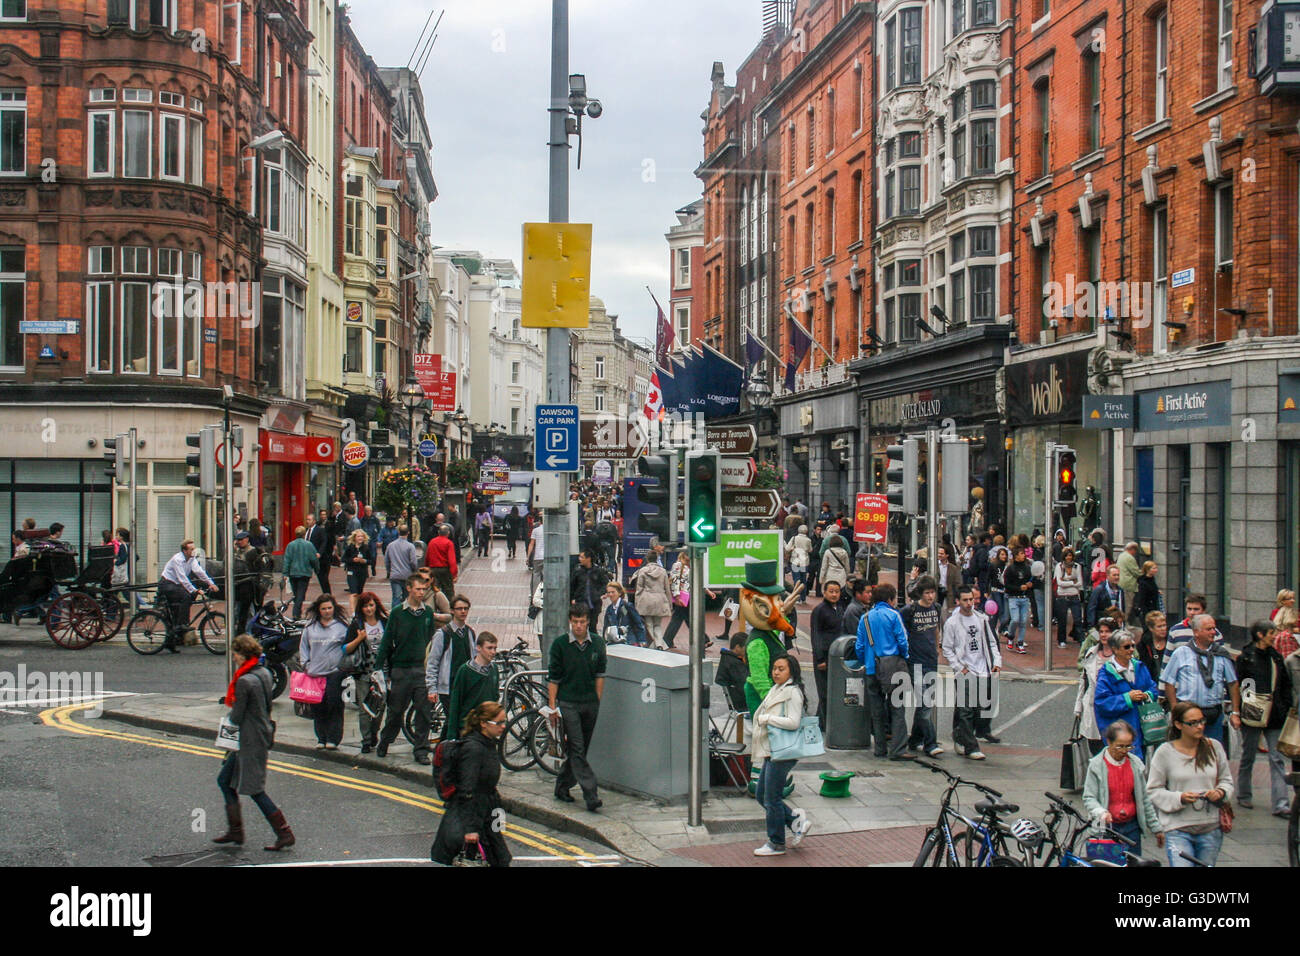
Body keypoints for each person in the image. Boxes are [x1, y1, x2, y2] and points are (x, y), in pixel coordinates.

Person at [211, 634, 294, 852]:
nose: (234, 658)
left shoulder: (244, 681)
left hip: (249, 740)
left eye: (235, 654)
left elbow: (237, 716)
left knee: (255, 789)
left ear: (243, 654)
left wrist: (229, 716)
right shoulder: (264, 672)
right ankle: (235, 831)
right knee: (225, 780)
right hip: (260, 734)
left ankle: (284, 833)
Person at [1146, 702, 1234, 867]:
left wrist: (1220, 792)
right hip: (1177, 828)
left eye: (1201, 721)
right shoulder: (1165, 752)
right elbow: (1153, 790)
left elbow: (1226, 780)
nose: (1199, 726)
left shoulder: (1214, 747)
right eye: (1193, 723)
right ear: (1178, 724)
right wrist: (1180, 798)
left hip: (1210, 827)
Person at [429, 700, 512, 867]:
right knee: (496, 858)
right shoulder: (474, 749)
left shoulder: (487, 743)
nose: (503, 727)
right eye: (498, 723)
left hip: (489, 808)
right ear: (483, 723)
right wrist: (470, 829)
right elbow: (467, 789)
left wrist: (498, 815)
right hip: (476, 813)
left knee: (501, 857)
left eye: (504, 722)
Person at [748, 653, 814, 857]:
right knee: (762, 795)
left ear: (791, 671)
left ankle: (776, 843)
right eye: (775, 668)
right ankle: (795, 821)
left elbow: (794, 722)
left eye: (781, 669)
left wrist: (768, 719)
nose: (776, 672)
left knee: (771, 798)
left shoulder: (793, 692)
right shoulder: (777, 688)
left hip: (783, 752)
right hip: (772, 750)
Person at [546, 603, 607, 812]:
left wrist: (597, 701)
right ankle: (591, 794)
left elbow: (600, 675)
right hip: (568, 703)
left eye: (582, 622)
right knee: (578, 748)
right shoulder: (560, 645)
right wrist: (552, 707)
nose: (578, 626)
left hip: (590, 703)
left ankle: (562, 786)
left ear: (588, 622)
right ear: (570, 622)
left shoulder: (597, 643)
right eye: (575, 622)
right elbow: (554, 678)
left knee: (580, 751)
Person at [374, 575, 438, 764]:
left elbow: (430, 639)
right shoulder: (397, 613)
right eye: (418, 589)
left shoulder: (427, 613)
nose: (421, 593)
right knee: (396, 711)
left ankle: (421, 750)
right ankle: (385, 741)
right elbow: (387, 641)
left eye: (424, 589)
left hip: (421, 669)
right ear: (409, 588)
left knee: (424, 712)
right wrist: (378, 668)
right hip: (401, 669)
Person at [1234, 620, 1293, 817]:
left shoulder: (1275, 657)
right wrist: (1242, 709)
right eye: (1271, 633)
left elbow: (1284, 685)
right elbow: (1241, 684)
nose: (1274, 636)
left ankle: (1281, 803)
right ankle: (1244, 794)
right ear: (1260, 635)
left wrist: (1284, 707)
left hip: (1274, 714)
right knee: (1248, 755)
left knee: (1277, 758)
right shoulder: (1246, 657)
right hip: (1253, 712)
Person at [1082, 720, 1163, 856]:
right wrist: (1101, 812)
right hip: (1106, 828)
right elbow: (1089, 797)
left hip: (1132, 828)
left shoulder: (1135, 764)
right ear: (1109, 742)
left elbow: (1144, 799)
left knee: (1133, 862)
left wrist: (1156, 828)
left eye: (1128, 746)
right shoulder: (1096, 765)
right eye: (1119, 746)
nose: (1124, 751)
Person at [1160, 614, 1241, 747]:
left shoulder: (1221, 654)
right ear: (1196, 632)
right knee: (1187, 752)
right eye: (1209, 629)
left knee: (1212, 751)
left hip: (1213, 715)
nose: (1213, 632)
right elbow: (1169, 682)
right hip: (1187, 715)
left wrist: (1235, 713)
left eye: (1214, 628)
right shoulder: (1181, 653)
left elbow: (1233, 683)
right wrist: (1175, 710)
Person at [941, 586, 1001, 760]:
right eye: (965, 600)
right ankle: (971, 747)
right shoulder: (952, 623)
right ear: (958, 601)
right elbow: (947, 648)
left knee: (981, 708)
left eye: (971, 599)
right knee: (966, 709)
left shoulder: (981, 619)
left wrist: (996, 662)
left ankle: (960, 735)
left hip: (983, 669)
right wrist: (959, 667)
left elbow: (991, 642)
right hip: (966, 671)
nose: (969, 603)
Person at [856, 583, 912, 761]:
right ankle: (898, 748)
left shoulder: (865, 618)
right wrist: (904, 656)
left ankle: (879, 748)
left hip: (871, 667)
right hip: (892, 667)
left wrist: (866, 661)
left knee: (877, 710)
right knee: (897, 708)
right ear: (890, 599)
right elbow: (902, 640)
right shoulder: (893, 615)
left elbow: (859, 646)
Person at [1094, 630, 1160, 761]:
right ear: (1115, 649)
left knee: (1140, 765)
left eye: (1132, 646)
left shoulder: (1140, 667)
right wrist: (1127, 698)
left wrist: (1146, 695)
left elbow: (1153, 688)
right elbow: (1102, 703)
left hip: (1142, 729)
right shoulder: (1106, 674)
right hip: (1120, 734)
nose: (1131, 650)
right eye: (1126, 647)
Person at [300, 593, 349, 750]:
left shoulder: (341, 627)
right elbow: (304, 647)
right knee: (318, 707)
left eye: (329, 608)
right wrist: (305, 665)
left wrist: (343, 667)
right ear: (318, 610)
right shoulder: (310, 627)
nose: (327, 611)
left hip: (335, 673)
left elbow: (348, 647)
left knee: (334, 705)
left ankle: (333, 739)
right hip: (315, 674)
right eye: (324, 609)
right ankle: (321, 738)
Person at [901, 575, 944, 757]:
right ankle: (930, 743)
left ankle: (915, 739)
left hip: (930, 661)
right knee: (925, 703)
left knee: (924, 703)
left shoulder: (937, 608)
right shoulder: (909, 610)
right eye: (927, 593)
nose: (930, 596)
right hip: (915, 661)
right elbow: (902, 633)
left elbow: (935, 629)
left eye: (933, 592)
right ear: (920, 593)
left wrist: (937, 648)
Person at [344, 591, 387, 753]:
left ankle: (374, 732)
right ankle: (366, 740)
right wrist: (359, 639)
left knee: (380, 706)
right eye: (365, 606)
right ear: (360, 608)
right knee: (364, 708)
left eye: (371, 605)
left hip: (382, 671)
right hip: (363, 671)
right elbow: (345, 648)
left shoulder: (384, 622)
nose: (369, 609)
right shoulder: (357, 625)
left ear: (376, 606)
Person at [158, 540, 218, 652]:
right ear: (184, 551)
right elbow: (182, 578)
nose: (194, 551)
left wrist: (211, 583)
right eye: (191, 549)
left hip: (176, 584)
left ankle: (172, 637)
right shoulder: (177, 559)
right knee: (186, 596)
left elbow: (199, 572)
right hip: (167, 584)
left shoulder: (191, 559)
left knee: (187, 599)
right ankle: (182, 624)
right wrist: (195, 590)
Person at [427, 594, 477, 719]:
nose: (463, 611)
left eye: (466, 608)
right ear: (452, 611)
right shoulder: (442, 634)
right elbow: (433, 662)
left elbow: (474, 659)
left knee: (460, 721)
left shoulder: (470, 633)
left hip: (465, 685)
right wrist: (432, 688)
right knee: (454, 719)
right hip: (449, 686)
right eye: (459, 608)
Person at [1074, 618, 1119, 755]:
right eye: (1101, 631)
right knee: (1095, 750)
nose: (1104, 635)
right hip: (1092, 708)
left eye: (1108, 631)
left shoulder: (1121, 655)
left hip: (1113, 709)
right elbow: (1084, 682)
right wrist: (1078, 708)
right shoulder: (1091, 653)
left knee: (1113, 750)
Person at [446, 631, 501, 741]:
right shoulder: (465, 671)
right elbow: (456, 702)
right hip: (469, 727)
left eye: (495, 648)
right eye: (489, 648)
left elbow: (495, 697)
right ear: (478, 648)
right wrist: (452, 735)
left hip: (487, 728)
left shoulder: (494, 669)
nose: (493, 652)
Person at [661, 550, 715, 650]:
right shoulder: (678, 565)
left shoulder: (692, 566)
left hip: (688, 597)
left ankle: (667, 641)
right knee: (687, 619)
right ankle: (703, 640)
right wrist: (677, 597)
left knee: (680, 619)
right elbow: (675, 581)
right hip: (682, 597)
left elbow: (697, 580)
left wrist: (707, 591)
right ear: (685, 556)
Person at [810, 580, 845, 732]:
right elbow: (815, 635)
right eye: (831, 591)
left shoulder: (840, 608)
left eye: (837, 591)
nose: (834, 594)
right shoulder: (819, 610)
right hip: (823, 656)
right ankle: (826, 725)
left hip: (836, 655)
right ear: (824, 592)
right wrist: (820, 659)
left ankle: (820, 722)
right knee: (824, 691)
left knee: (832, 690)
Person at [1001, 545, 1033, 654]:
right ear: (1015, 556)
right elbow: (1007, 585)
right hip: (1013, 598)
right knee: (1015, 619)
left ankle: (1020, 642)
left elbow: (1031, 581)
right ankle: (1010, 637)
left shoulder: (1027, 568)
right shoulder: (1010, 569)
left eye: (1024, 553)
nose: (1024, 555)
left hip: (1024, 598)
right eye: (1021, 553)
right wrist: (1019, 588)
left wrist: (1030, 585)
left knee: (1023, 621)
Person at [1137, 612, 1173, 707]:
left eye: (1164, 625)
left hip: (1171, 688)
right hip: (1153, 689)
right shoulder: (1143, 646)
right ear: (1151, 628)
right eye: (1159, 626)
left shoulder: (1172, 642)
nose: (1163, 629)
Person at [570, 549, 610, 633]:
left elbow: (605, 584)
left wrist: (599, 594)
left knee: (592, 626)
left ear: (588, 559)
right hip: (580, 603)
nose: (579, 559)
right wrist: (573, 598)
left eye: (582, 557)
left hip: (594, 603)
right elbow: (572, 586)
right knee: (581, 626)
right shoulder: (577, 570)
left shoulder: (598, 570)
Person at [282, 525, 318, 620]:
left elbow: (287, 560)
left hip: (293, 573)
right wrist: (316, 569)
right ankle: (296, 612)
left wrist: (285, 573)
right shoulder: (309, 545)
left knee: (296, 593)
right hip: (304, 572)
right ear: (304, 534)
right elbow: (314, 559)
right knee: (301, 593)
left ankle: (297, 611)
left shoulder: (290, 545)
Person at [1053, 547, 1085, 648]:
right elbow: (1059, 582)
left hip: (1074, 596)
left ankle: (1081, 639)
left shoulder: (1077, 566)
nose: (1068, 558)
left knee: (1078, 619)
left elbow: (1080, 582)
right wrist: (1072, 582)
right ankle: (1061, 640)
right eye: (1067, 556)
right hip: (1062, 596)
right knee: (1062, 620)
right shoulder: (1059, 566)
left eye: (1070, 555)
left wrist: (1066, 581)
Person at [384, 525, 420, 609]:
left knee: (396, 597)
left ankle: (395, 614)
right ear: (408, 533)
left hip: (395, 574)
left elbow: (387, 561)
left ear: (398, 532)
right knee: (407, 598)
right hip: (407, 575)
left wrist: (389, 571)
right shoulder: (410, 546)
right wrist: (414, 571)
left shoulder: (391, 545)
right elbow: (413, 562)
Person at [600, 581, 646, 646]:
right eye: (609, 592)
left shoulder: (626, 606)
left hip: (629, 641)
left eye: (613, 592)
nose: (610, 595)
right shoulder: (609, 609)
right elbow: (606, 627)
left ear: (619, 593)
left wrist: (642, 640)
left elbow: (638, 623)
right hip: (614, 642)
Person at [424, 524, 458, 603]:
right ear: (448, 533)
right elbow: (452, 560)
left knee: (434, 589)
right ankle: (450, 606)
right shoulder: (449, 543)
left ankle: (434, 605)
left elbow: (427, 556)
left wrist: (427, 567)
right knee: (448, 591)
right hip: (445, 570)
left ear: (438, 532)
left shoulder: (432, 542)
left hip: (433, 569)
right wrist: (454, 574)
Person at [716, 635, 750, 713]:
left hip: (736, 700)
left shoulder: (727, 658)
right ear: (737, 647)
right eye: (746, 647)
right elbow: (745, 685)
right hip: (741, 703)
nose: (748, 650)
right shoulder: (735, 663)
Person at [1087, 564, 1127, 629]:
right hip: (1103, 625)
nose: (1117, 577)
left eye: (1118, 575)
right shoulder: (1099, 589)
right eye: (1114, 575)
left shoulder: (1120, 591)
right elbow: (1091, 608)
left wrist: (1123, 624)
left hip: (1117, 625)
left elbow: (1122, 608)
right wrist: (1091, 626)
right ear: (1108, 576)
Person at [308, 510, 333, 596]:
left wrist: (320, 553)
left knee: (322, 577)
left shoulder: (320, 530)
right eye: (307, 519)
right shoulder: (306, 531)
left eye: (309, 520)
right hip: (309, 557)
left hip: (320, 558)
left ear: (314, 521)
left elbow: (324, 542)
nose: (308, 521)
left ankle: (327, 594)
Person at [1116, 541, 1142, 622]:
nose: (1135, 553)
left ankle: (1123, 622)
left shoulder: (1121, 555)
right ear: (1133, 549)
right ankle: (1125, 623)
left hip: (1121, 583)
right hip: (1128, 585)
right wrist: (1144, 572)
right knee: (1128, 605)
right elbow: (1136, 572)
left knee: (1122, 605)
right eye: (1135, 550)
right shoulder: (1130, 558)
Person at [786, 525, 813, 600]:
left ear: (798, 530)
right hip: (804, 562)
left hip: (795, 561)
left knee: (796, 579)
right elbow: (810, 550)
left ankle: (797, 597)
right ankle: (803, 598)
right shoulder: (808, 540)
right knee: (803, 579)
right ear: (806, 531)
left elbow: (787, 548)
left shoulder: (794, 538)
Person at [343, 529, 370, 599]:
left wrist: (364, 561)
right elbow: (344, 559)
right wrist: (352, 560)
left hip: (362, 572)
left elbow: (371, 560)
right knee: (353, 591)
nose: (360, 538)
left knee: (359, 592)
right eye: (358, 536)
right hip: (351, 571)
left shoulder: (366, 548)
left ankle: (358, 604)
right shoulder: (350, 547)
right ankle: (353, 606)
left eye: (362, 536)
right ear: (354, 538)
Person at [360, 506, 381, 576]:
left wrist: (378, 540)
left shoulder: (375, 520)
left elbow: (379, 530)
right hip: (365, 541)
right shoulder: (362, 520)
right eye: (367, 511)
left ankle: (373, 567)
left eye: (370, 511)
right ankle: (366, 570)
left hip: (373, 540)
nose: (368, 512)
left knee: (373, 556)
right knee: (365, 556)